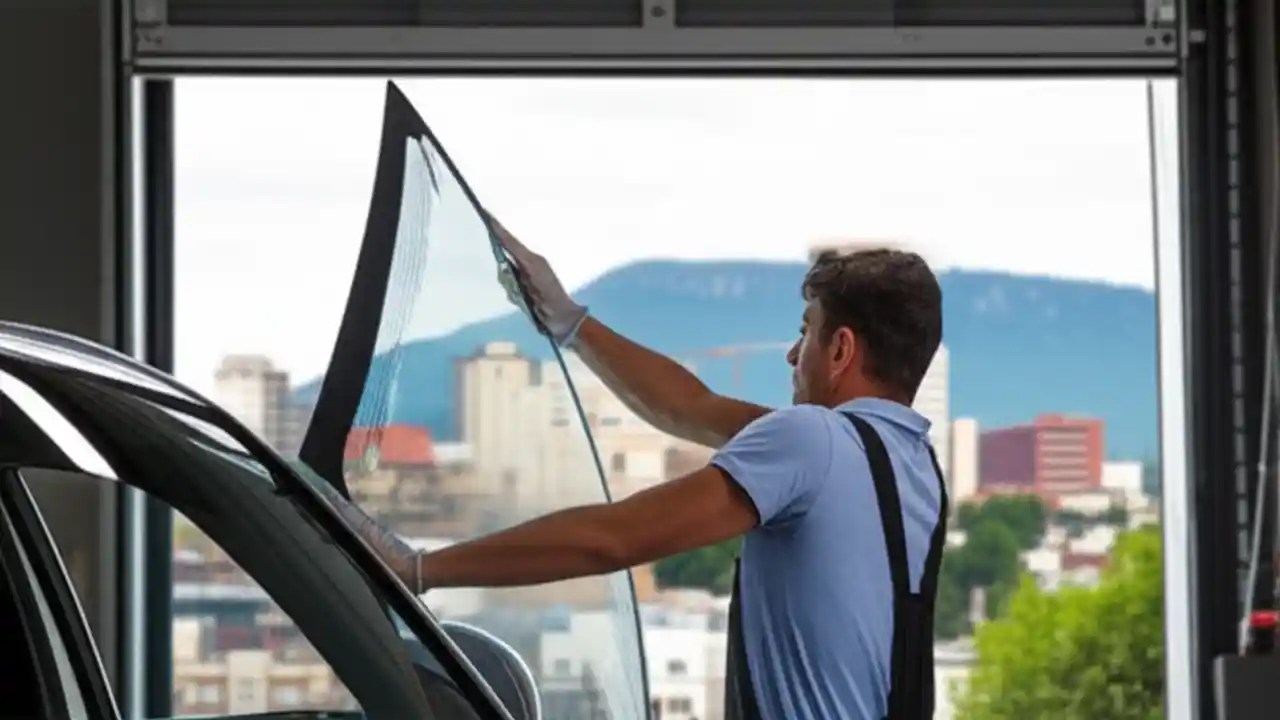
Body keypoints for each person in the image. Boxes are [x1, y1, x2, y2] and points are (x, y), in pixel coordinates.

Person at [349, 220, 949, 720]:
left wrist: (417, 569)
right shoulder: (910, 465)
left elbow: (612, 539)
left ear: (840, 350)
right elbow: (690, 407)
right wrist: (568, 320)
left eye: (805, 332)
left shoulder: (812, 441)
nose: (794, 355)